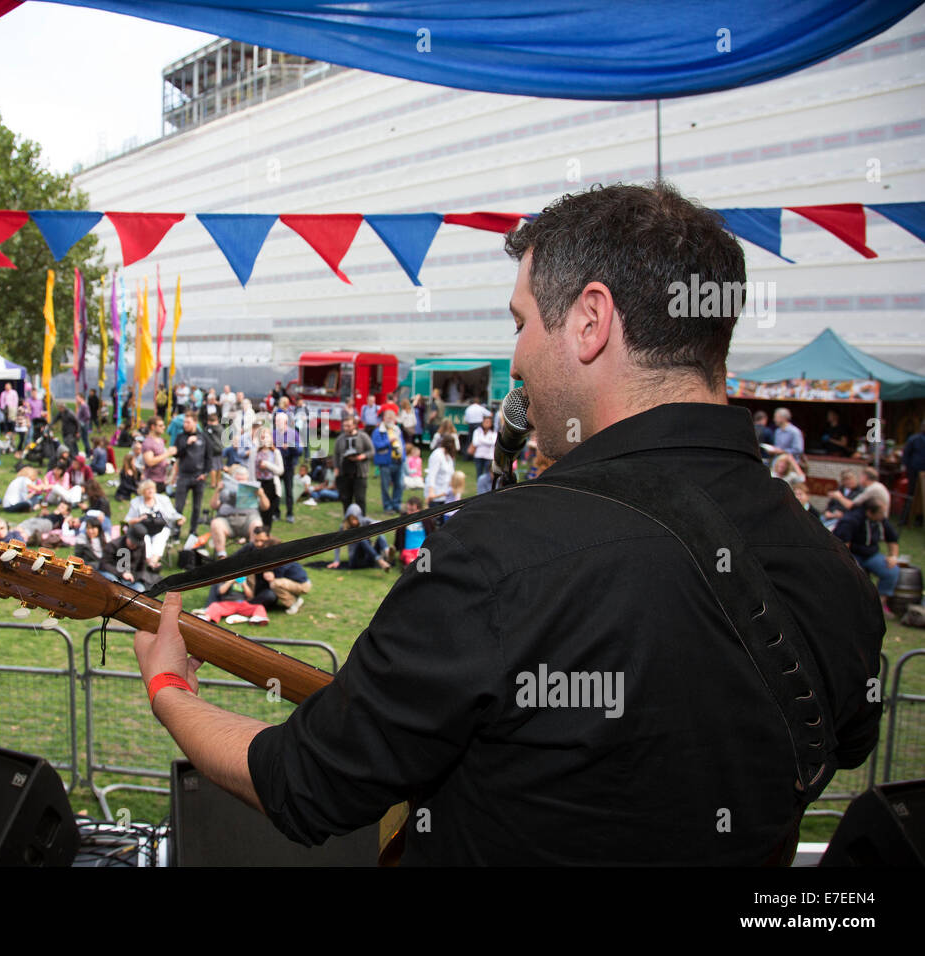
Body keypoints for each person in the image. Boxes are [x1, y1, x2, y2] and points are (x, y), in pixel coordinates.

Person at [129, 182, 883, 865]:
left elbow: (306, 785)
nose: (516, 359)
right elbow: (841, 743)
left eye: (521, 322)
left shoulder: (498, 557)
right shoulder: (833, 572)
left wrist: (169, 685)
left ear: (590, 320)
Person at [833, 501, 899, 616]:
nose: (883, 515)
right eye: (880, 513)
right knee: (856, 572)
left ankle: (879, 606)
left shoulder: (880, 520)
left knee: (892, 571)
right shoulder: (851, 520)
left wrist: (893, 556)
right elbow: (842, 545)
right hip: (851, 553)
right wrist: (850, 562)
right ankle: (853, 606)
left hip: (871, 555)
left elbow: (892, 539)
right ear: (869, 512)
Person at [208, 464, 267, 559]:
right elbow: (213, 506)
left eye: (243, 480)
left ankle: (252, 557)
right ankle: (222, 557)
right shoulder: (225, 488)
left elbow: (265, 507)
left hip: (248, 519)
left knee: (257, 525)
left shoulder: (254, 489)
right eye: (238, 480)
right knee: (216, 524)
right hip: (227, 520)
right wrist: (217, 490)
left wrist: (261, 495)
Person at [126, 479, 185, 571]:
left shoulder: (163, 499)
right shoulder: (136, 502)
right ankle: (151, 562)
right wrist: (139, 519)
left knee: (160, 538)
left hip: (161, 527)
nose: (150, 491)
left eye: (152, 488)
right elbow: (128, 520)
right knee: (145, 539)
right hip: (143, 529)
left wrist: (180, 518)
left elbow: (173, 514)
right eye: (147, 489)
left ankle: (153, 561)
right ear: (142, 491)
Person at [172, 411, 209, 535]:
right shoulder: (181, 437)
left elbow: (209, 456)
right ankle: (176, 531)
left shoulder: (203, 437)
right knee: (179, 506)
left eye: (188, 422)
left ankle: (193, 531)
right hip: (183, 476)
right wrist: (187, 444)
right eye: (184, 422)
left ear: (195, 422)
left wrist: (205, 473)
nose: (185, 424)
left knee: (197, 507)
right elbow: (177, 455)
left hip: (199, 477)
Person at [332, 416, 372, 515]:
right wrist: (336, 468)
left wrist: (362, 456)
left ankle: (362, 522)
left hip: (359, 472)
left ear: (354, 425)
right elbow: (336, 454)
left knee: (360, 498)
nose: (346, 428)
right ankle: (348, 521)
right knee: (346, 499)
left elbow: (371, 451)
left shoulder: (363, 436)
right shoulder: (340, 439)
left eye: (348, 426)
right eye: (344, 426)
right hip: (344, 472)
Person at [371, 410, 405, 514]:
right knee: (385, 486)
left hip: (398, 461)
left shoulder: (397, 429)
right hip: (386, 462)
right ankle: (387, 506)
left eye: (392, 417)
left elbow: (402, 443)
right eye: (388, 417)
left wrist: (404, 457)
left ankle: (396, 504)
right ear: (384, 418)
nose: (390, 419)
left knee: (399, 484)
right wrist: (388, 442)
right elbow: (376, 445)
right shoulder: (378, 431)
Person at [142, 416, 173, 493]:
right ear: (153, 427)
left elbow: (159, 458)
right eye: (160, 425)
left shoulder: (160, 440)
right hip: (152, 481)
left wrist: (167, 463)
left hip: (162, 479)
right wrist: (167, 454)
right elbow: (150, 462)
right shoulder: (148, 442)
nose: (164, 427)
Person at [425, 434, 457, 505]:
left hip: (445, 495)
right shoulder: (437, 455)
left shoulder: (448, 457)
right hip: (435, 494)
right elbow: (432, 474)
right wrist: (431, 492)